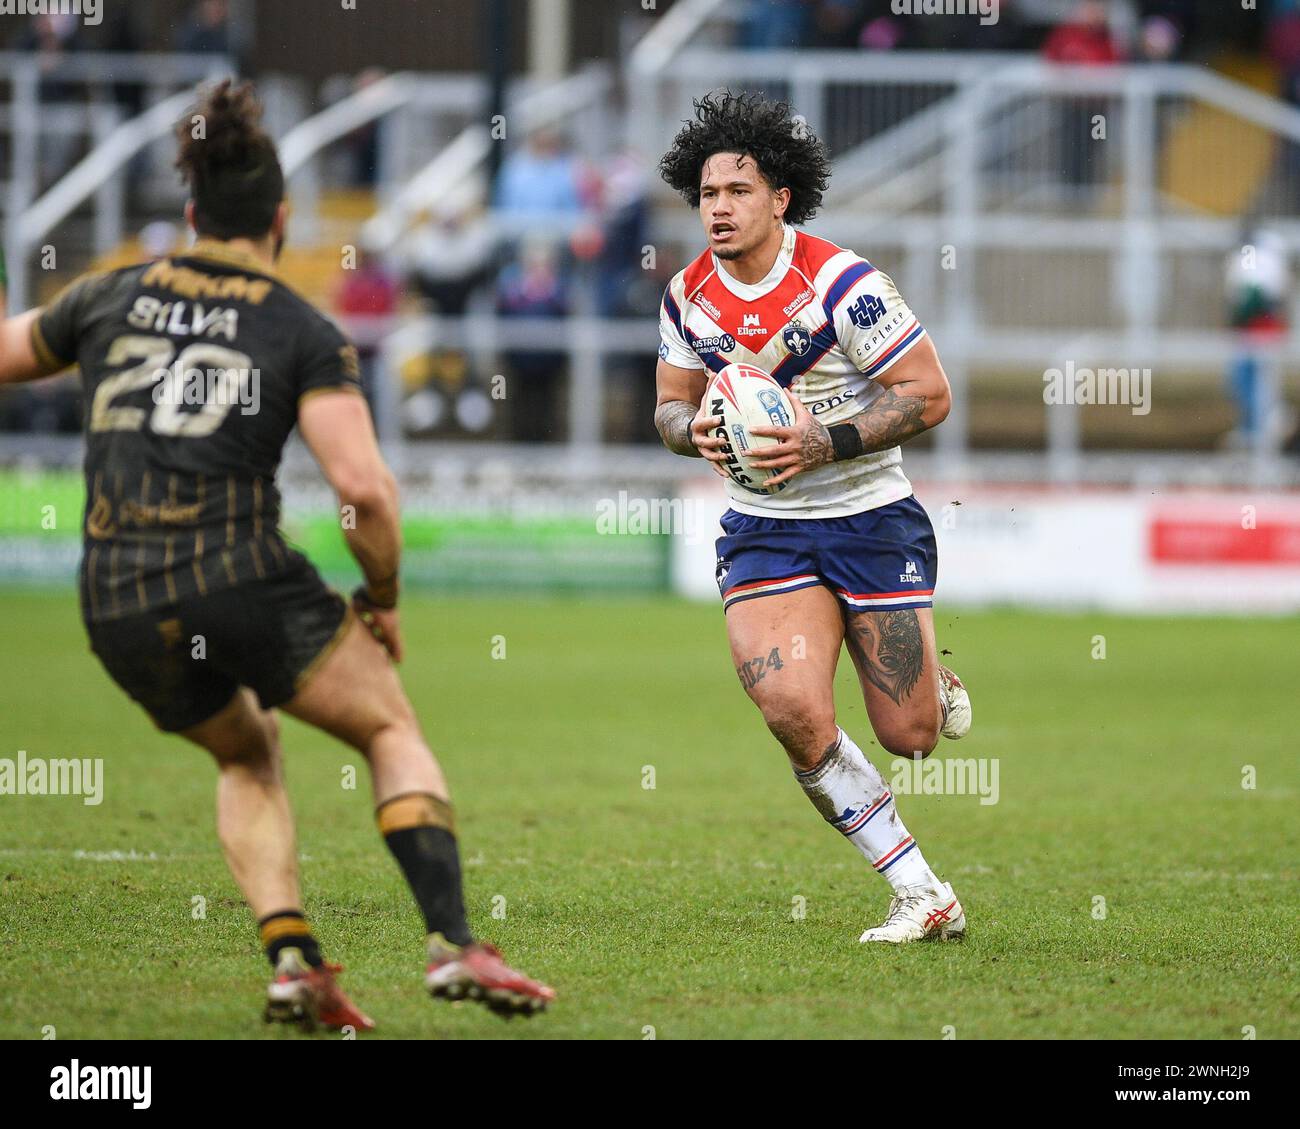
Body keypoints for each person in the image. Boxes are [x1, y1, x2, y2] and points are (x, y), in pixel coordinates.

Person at [0, 80, 554, 1029]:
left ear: (188, 214)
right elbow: (363, 489)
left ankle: (294, 960)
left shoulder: (103, 294)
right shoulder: (298, 327)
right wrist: (380, 593)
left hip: (114, 594)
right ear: (283, 221)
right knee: (388, 728)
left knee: (247, 755)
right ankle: (455, 943)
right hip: (238, 575)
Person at [654, 92, 972, 944]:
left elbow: (930, 397)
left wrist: (824, 441)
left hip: (869, 517)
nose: (718, 207)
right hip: (765, 526)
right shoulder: (687, 297)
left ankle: (932, 687)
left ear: (781, 198)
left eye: (738, 191)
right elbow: (669, 412)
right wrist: (701, 432)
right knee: (794, 710)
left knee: (910, 737)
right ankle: (920, 889)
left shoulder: (844, 285)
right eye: (707, 193)